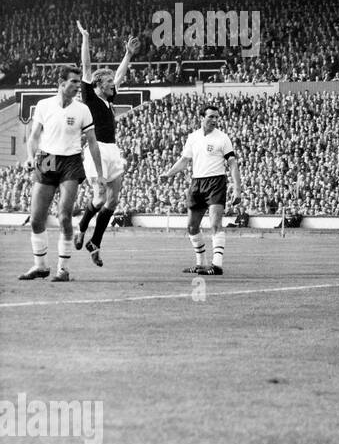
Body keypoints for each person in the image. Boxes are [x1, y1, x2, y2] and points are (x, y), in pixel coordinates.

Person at [20, 65, 105, 281]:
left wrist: (100, 174)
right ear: (61, 82)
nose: (78, 86)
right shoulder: (44, 105)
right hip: (47, 159)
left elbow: (93, 143)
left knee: (64, 215)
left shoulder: (82, 109)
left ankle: (63, 270)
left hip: (71, 162)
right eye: (74, 82)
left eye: (79, 82)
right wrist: (31, 156)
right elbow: (34, 136)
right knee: (37, 219)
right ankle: (40, 266)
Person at [74, 21, 140, 266]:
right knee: (100, 197)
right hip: (96, 149)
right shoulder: (90, 98)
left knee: (113, 200)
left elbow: (121, 74)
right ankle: (82, 226)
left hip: (112, 150)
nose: (114, 84)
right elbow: (87, 66)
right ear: (99, 85)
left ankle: (95, 242)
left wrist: (128, 54)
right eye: (110, 83)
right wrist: (86, 39)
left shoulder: (109, 101)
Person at [158, 105, 243, 276]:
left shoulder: (222, 138)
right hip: (197, 183)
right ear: (201, 118)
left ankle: (217, 266)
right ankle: (201, 264)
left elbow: (232, 163)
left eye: (216, 117)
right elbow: (184, 160)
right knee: (191, 226)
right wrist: (169, 174)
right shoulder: (193, 137)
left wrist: (237, 188)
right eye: (211, 117)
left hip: (216, 182)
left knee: (215, 224)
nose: (214, 120)